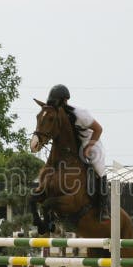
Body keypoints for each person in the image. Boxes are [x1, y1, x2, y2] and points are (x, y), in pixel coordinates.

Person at [46, 84, 109, 221]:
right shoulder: (60, 115)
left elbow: (98, 129)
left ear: (64, 101)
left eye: (55, 103)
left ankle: (104, 207)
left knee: (99, 170)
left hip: (92, 142)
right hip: (76, 145)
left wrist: (89, 147)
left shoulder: (80, 114)